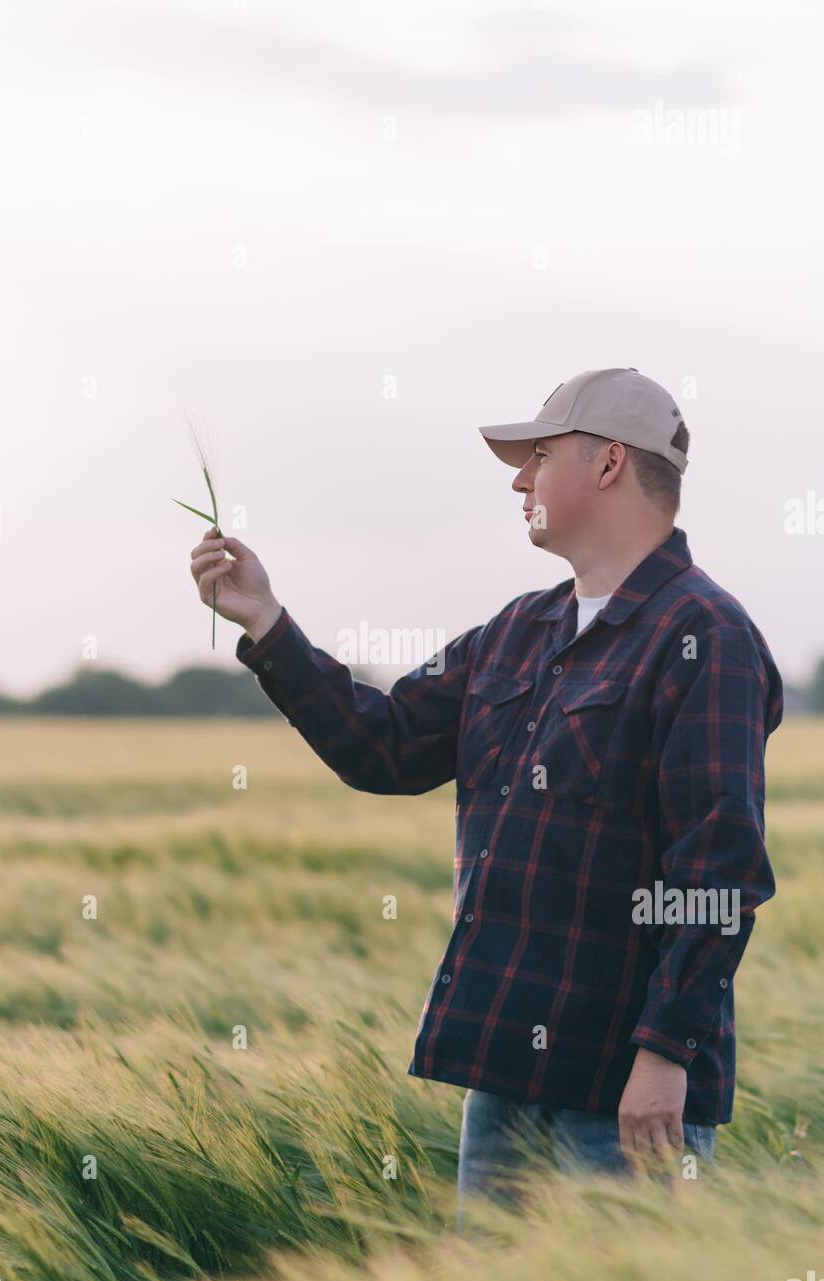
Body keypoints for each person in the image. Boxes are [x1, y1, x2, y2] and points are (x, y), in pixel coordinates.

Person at [187, 367, 782, 1230]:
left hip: (622, 1093)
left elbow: (716, 865)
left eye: (537, 455)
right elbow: (383, 746)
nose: (518, 479)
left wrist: (665, 1055)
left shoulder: (705, 636)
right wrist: (267, 625)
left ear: (610, 464)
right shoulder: (516, 631)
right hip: (503, 1075)